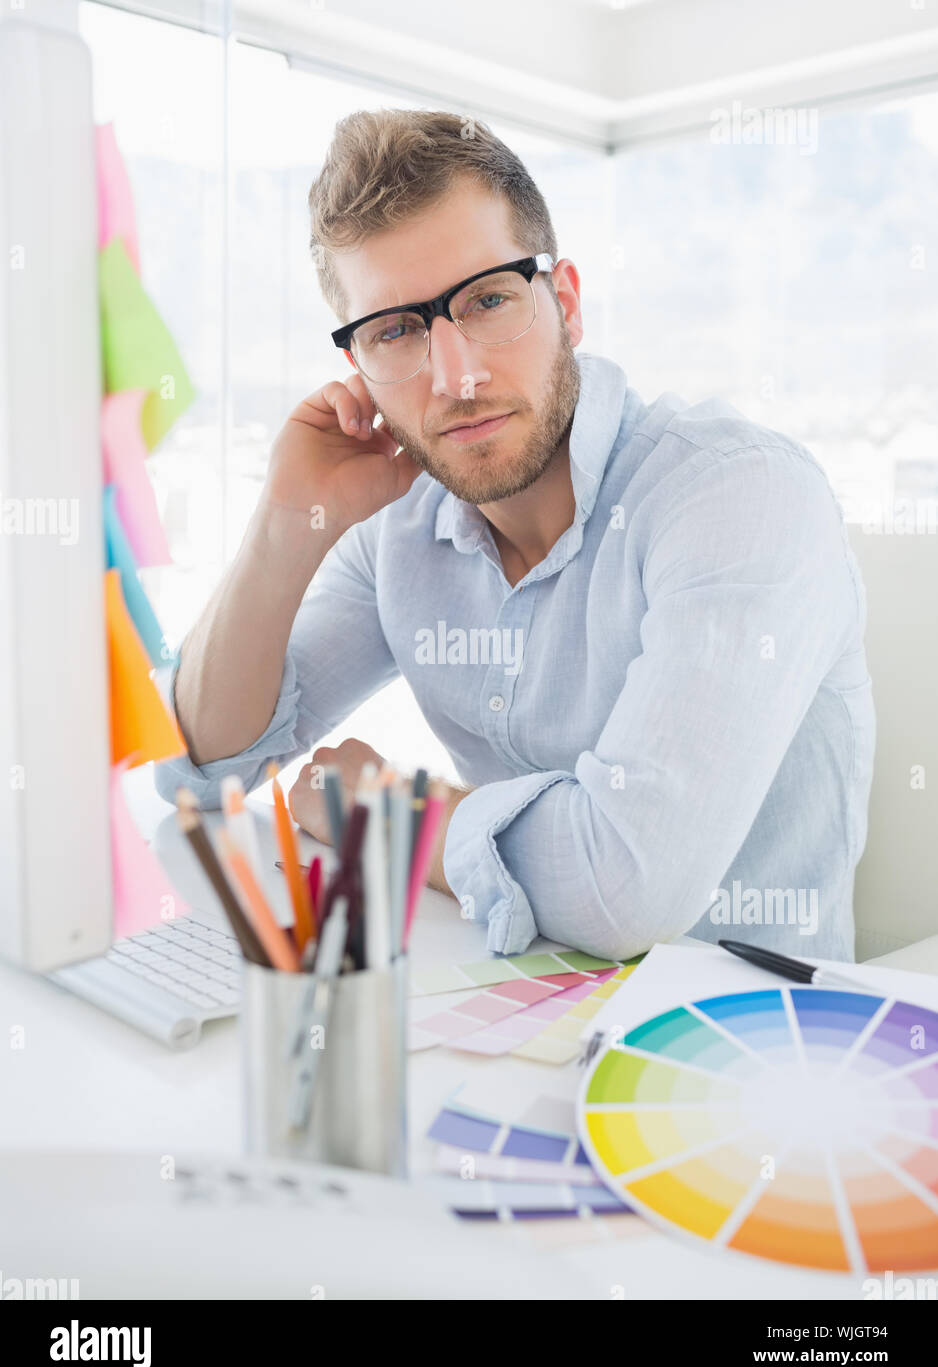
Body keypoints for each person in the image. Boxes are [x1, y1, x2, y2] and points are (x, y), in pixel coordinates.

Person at [154, 109, 874, 963]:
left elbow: (627, 890)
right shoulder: (399, 520)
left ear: (564, 303)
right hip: (515, 999)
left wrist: (386, 811)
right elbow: (205, 769)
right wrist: (283, 526)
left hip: (744, 1043)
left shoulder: (738, 494)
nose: (456, 377)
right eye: (397, 331)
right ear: (361, 369)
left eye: (490, 300)